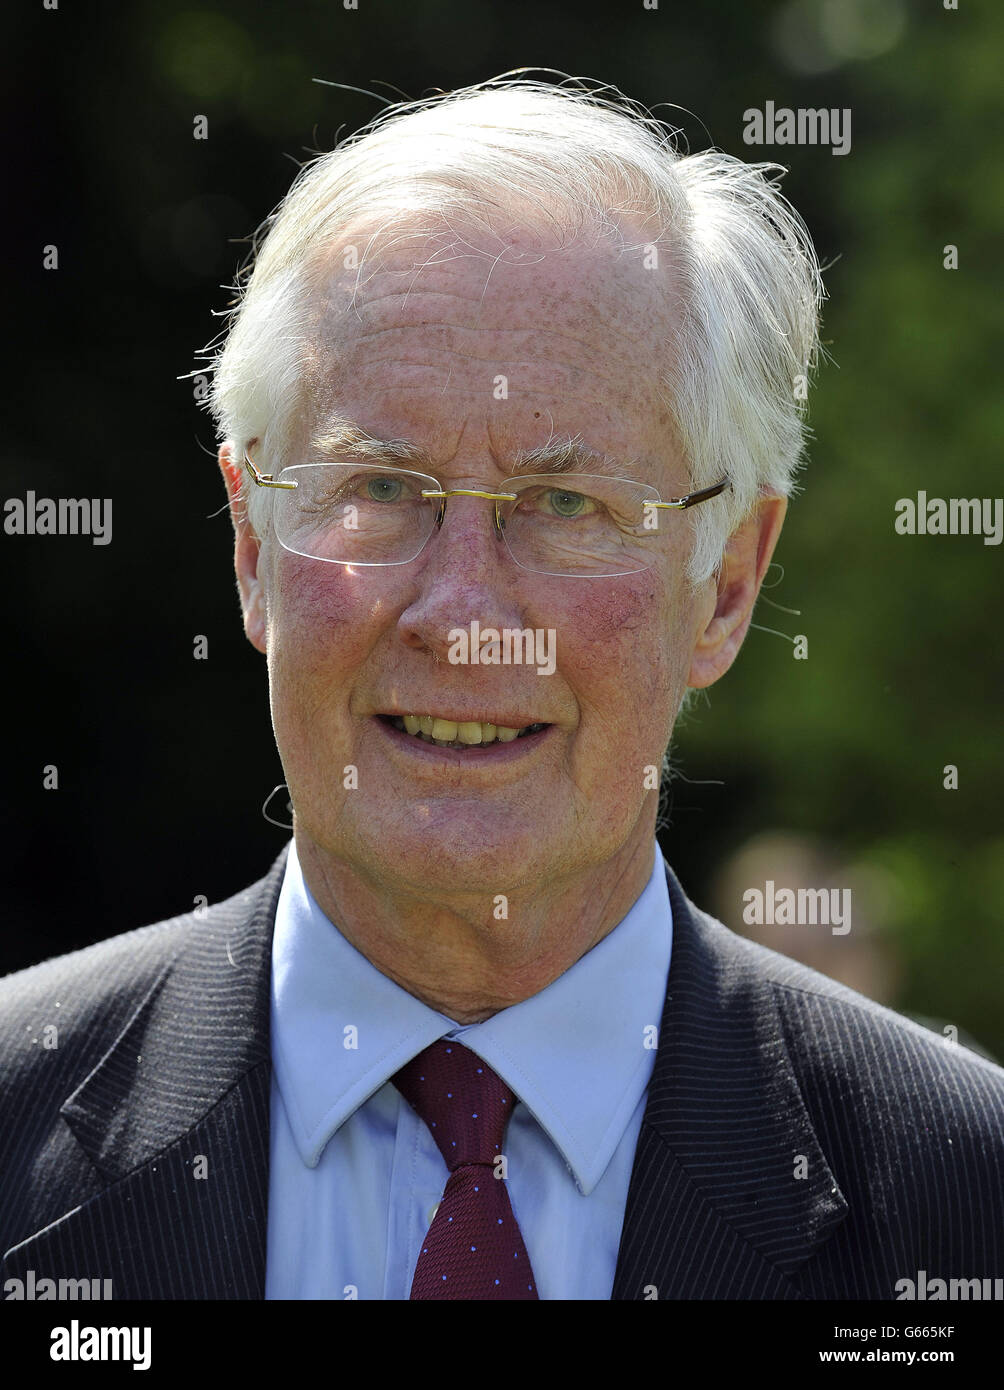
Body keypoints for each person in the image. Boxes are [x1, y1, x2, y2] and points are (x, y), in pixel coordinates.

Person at [2, 75, 1001, 1302]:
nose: (463, 618)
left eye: (565, 504)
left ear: (726, 582)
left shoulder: (966, 1204)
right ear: (252, 545)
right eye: (379, 487)